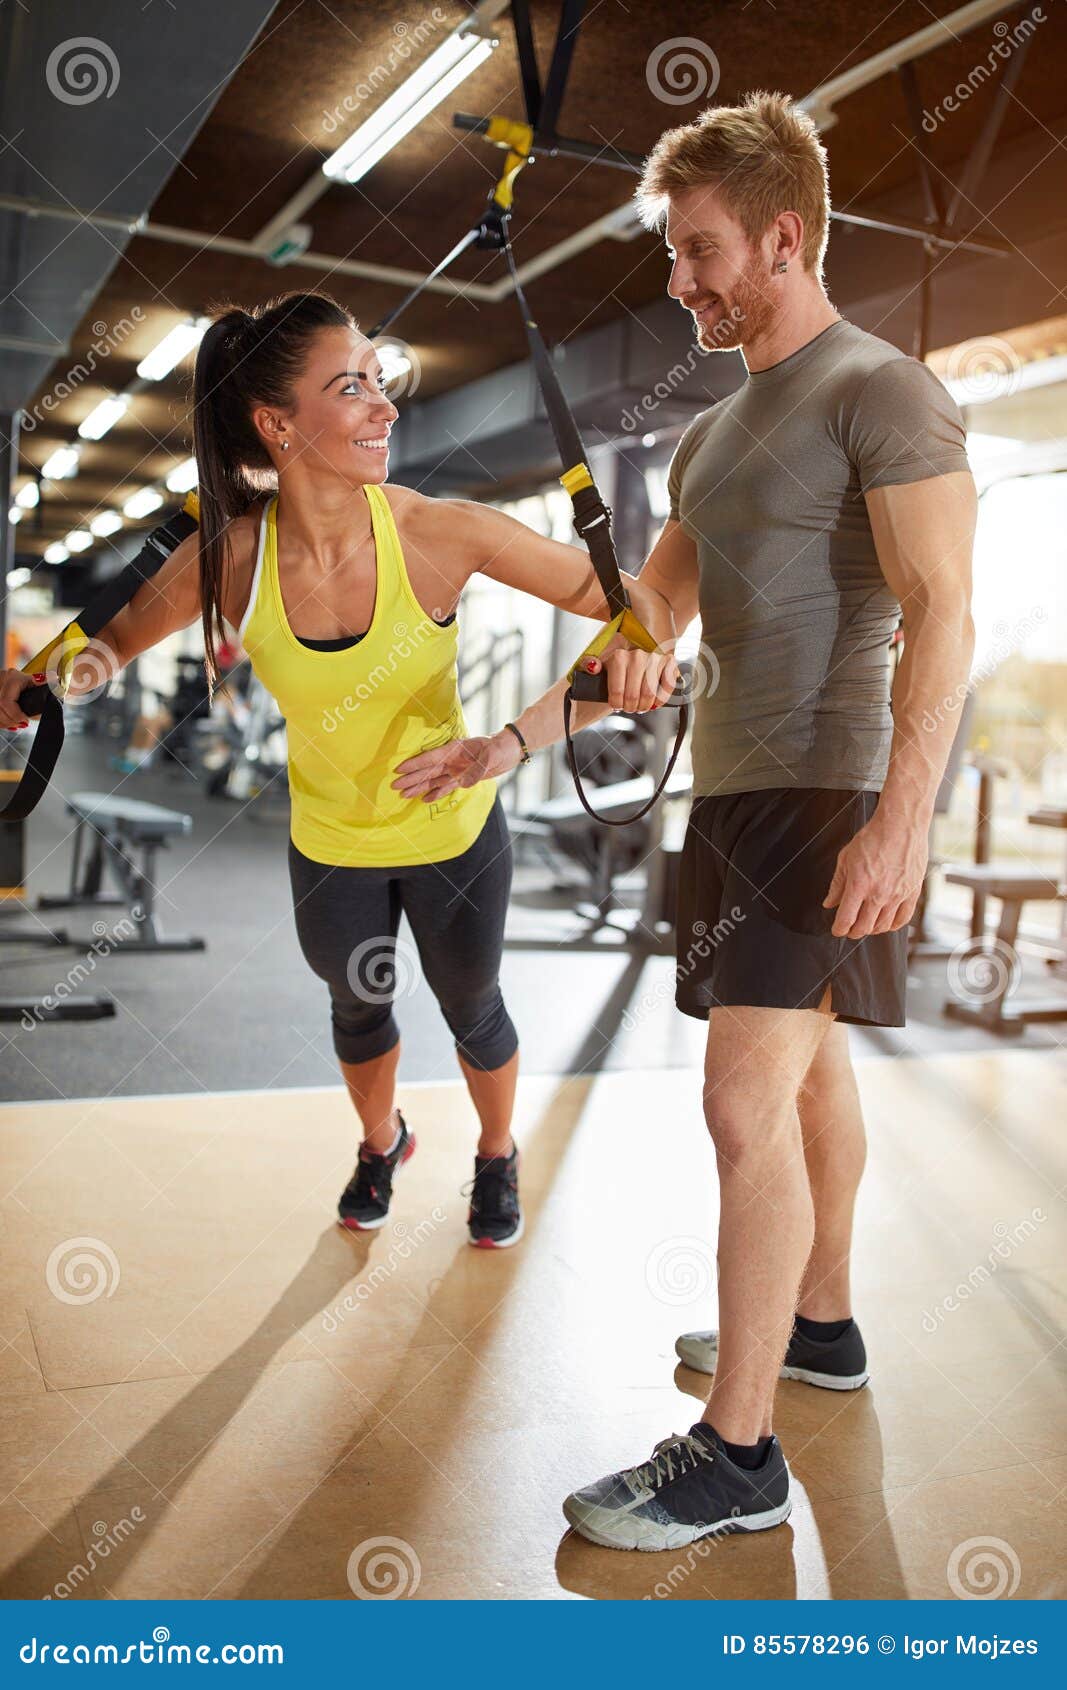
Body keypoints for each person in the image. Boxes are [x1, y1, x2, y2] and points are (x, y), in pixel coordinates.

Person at [399, 92, 976, 1547]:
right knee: (802, 1080)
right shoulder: (716, 431)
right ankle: (819, 1325)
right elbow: (648, 607)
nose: (679, 281)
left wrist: (900, 816)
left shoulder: (880, 390)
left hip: (824, 785)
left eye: (700, 251)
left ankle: (736, 1455)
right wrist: (517, 731)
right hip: (729, 789)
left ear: (783, 236)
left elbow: (940, 611)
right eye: (673, 255)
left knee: (735, 1099)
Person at [0, 290, 675, 1249]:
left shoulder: (439, 533)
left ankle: (495, 1154)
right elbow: (107, 647)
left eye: (380, 381)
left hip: (452, 836)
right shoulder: (233, 559)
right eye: (352, 386)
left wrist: (563, 706)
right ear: (277, 425)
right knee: (357, 1005)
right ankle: (381, 1139)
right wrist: (36, 685)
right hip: (331, 843)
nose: (385, 407)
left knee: (471, 1008)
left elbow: (630, 601)